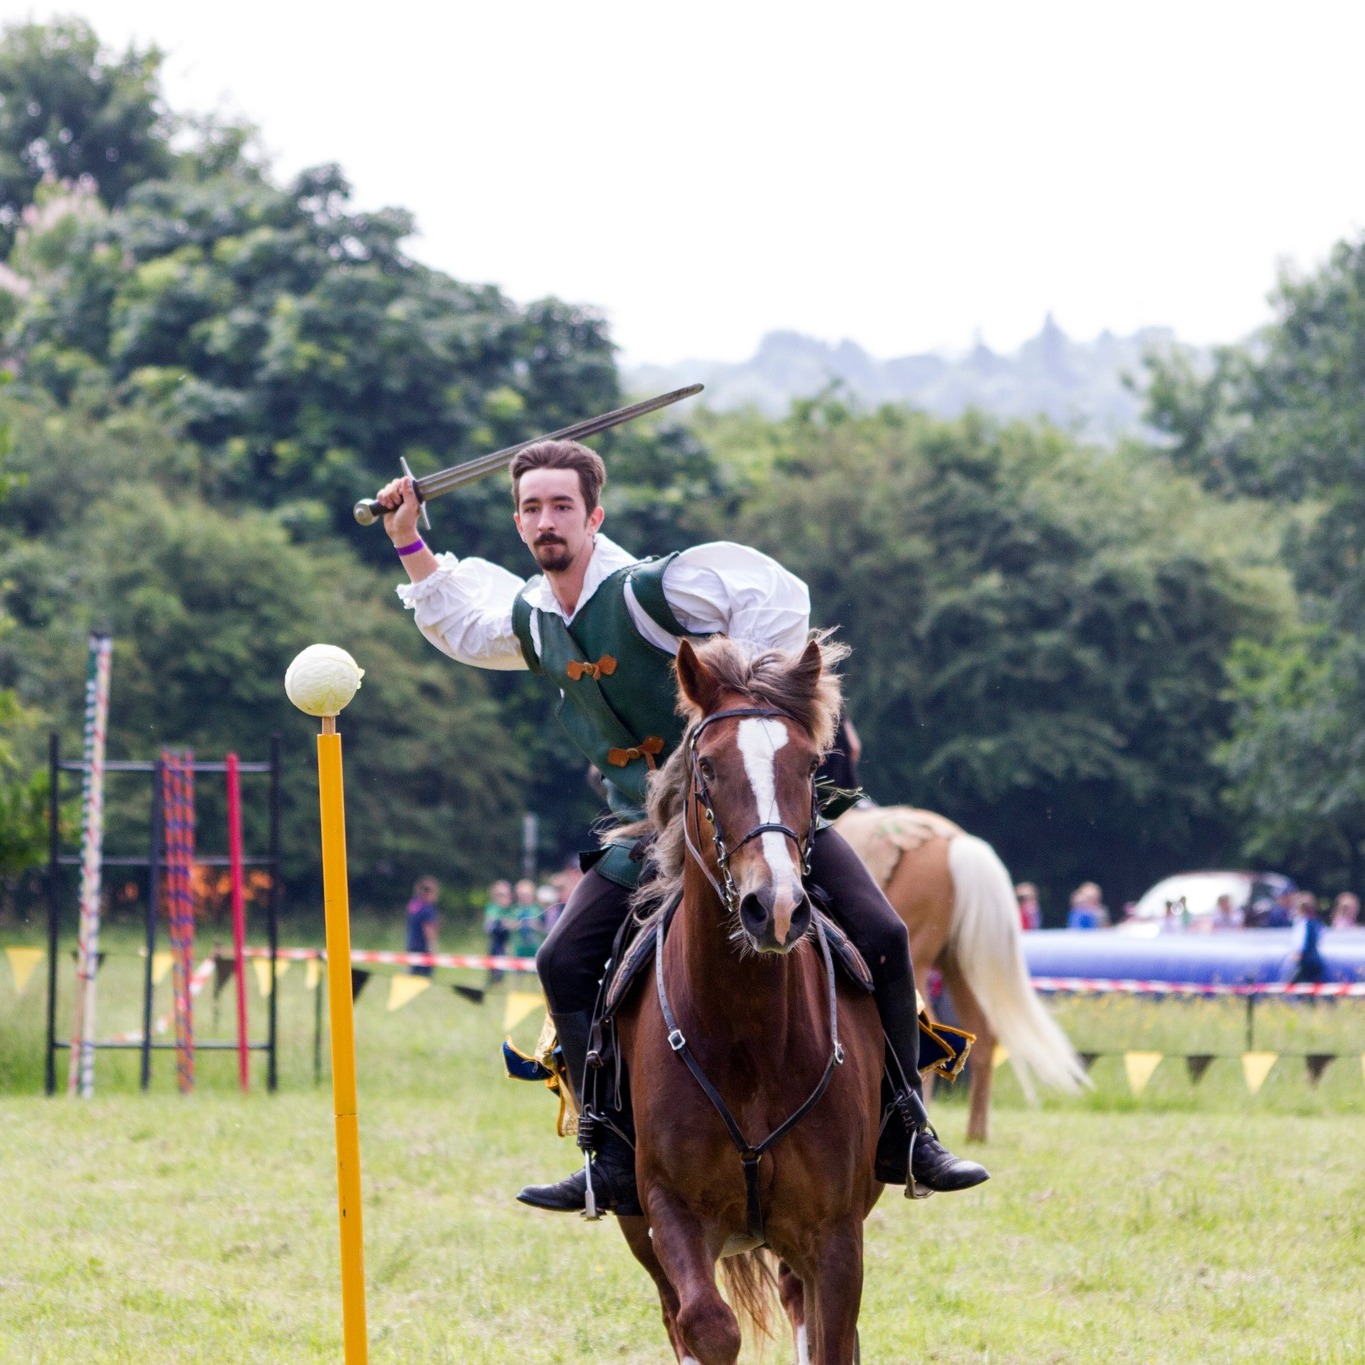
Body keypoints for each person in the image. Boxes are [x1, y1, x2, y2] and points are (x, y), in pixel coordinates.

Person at [373, 439, 987, 1214]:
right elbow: (464, 622)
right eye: (531, 508)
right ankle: (607, 1151)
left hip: (744, 812)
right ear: (518, 523)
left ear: (593, 515)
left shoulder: (648, 591)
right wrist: (408, 538)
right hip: (643, 830)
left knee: (885, 933)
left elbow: (773, 590)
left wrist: (751, 701)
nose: (546, 520)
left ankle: (906, 1131)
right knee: (561, 958)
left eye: (561, 505)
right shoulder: (532, 616)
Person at [404, 876, 440, 976]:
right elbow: (428, 929)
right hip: (423, 948)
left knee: (412, 973)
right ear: (429, 893)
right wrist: (433, 946)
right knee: (423, 976)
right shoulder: (427, 909)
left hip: (411, 944)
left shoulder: (414, 905)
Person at [1290, 894, 1327, 985]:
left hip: (1306, 959)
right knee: (1316, 984)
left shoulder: (1303, 923)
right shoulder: (1316, 922)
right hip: (1315, 958)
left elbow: (1302, 940)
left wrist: (1299, 952)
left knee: (1292, 984)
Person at [482, 879, 513, 986]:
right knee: (492, 959)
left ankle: (498, 981)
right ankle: (492, 981)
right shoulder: (492, 907)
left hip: (506, 940)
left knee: (502, 960)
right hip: (494, 938)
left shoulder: (510, 909)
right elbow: (489, 924)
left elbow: (512, 923)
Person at [511, 878, 545, 958]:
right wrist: (515, 925)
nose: (524, 897)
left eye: (527, 894)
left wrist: (536, 926)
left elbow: (545, 927)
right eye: (522, 894)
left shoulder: (538, 909)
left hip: (535, 947)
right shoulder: (513, 909)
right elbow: (508, 925)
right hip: (517, 947)